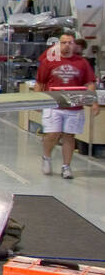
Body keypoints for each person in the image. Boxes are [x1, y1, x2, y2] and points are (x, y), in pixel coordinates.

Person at [35, 32, 95, 179]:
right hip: (53, 104)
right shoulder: (49, 61)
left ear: (74, 45)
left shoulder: (82, 63)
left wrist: (93, 101)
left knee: (69, 136)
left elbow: (90, 83)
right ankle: (47, 157)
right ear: (58, 44)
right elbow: (40, 82)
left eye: (70, 42)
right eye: (63, 42)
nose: (67, 45)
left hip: (73, 107)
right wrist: (36, 101)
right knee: (53, 134)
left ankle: (66, 166)